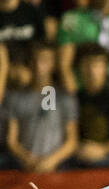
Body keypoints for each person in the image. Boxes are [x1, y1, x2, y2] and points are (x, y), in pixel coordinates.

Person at [3, 40, 78, 172]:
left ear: (53, 64)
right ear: (30, 63)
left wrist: (51, 161)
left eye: (45, 60)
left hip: (58, 169)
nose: (39, 66)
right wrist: (28, 159)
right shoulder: (14, 97)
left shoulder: (65, 97)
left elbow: (72, 140)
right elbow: (11, 140)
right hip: (24, 168)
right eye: (35, 60)